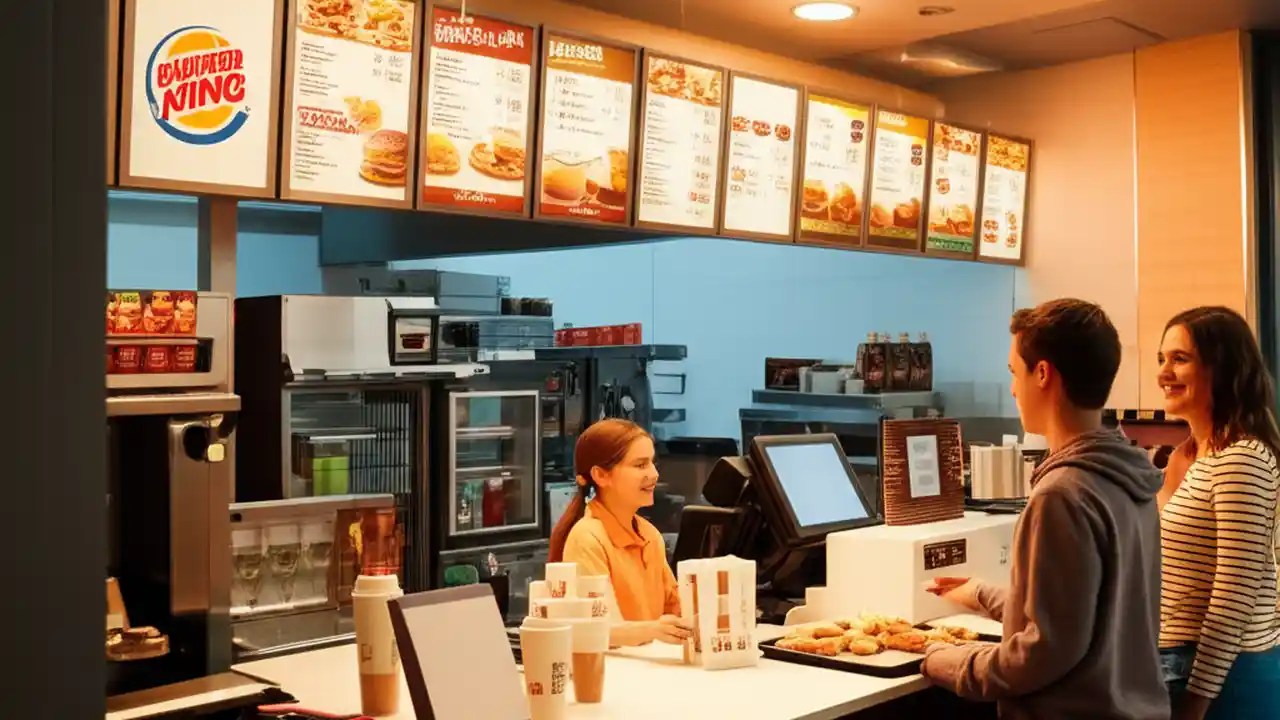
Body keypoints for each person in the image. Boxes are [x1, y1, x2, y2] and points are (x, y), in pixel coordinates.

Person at [921, 298, 1169, 719]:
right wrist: (983, 594)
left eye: (1014, 373)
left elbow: (1047, 650)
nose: (1014, 390)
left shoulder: (1062, 494)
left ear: (1042, 373)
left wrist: (946, 660)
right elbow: (1089, 608)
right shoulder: (1128, 475)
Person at [1155, 306, 1280, 720]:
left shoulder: (1242, 458)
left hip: (1226, 674)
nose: (1163, 373)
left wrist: (1196, 702)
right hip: (1174, 660)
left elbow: (1234, 594)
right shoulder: (1184, 456)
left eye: (1180, 359)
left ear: (1222, 368)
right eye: (1162, 359)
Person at [547, 418, 691, 647]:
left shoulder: (649, 534)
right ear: (601, 475)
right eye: (640, 465)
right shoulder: (587, 538)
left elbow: (675, 607)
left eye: (652, 463)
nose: (654, 474)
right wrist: (653, 629)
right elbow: (598, 629)